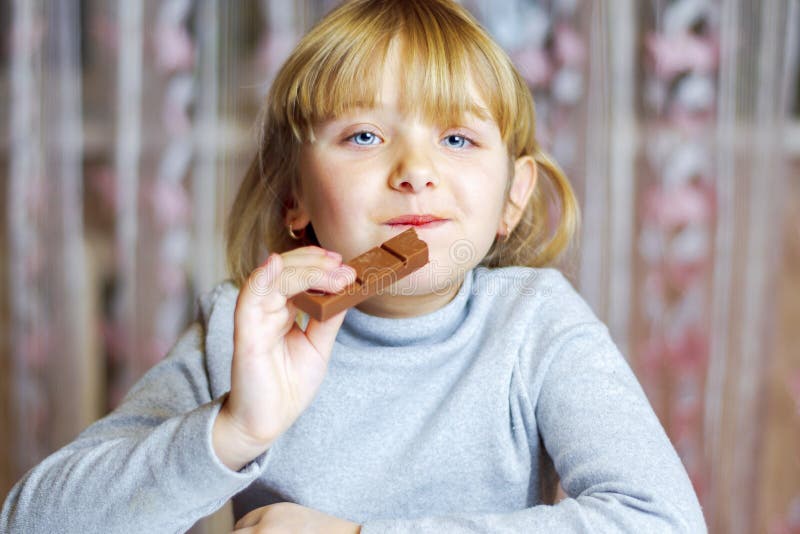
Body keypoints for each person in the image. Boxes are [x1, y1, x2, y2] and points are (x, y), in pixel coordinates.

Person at [1, 0, 707, 532]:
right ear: (294, 198)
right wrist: (233, 428)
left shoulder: (534, 323)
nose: (415, 172)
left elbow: (662, 521)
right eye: (364, 134)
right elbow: (30, 521)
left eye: (457, 137)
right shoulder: (246, 334)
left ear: (512, 198)